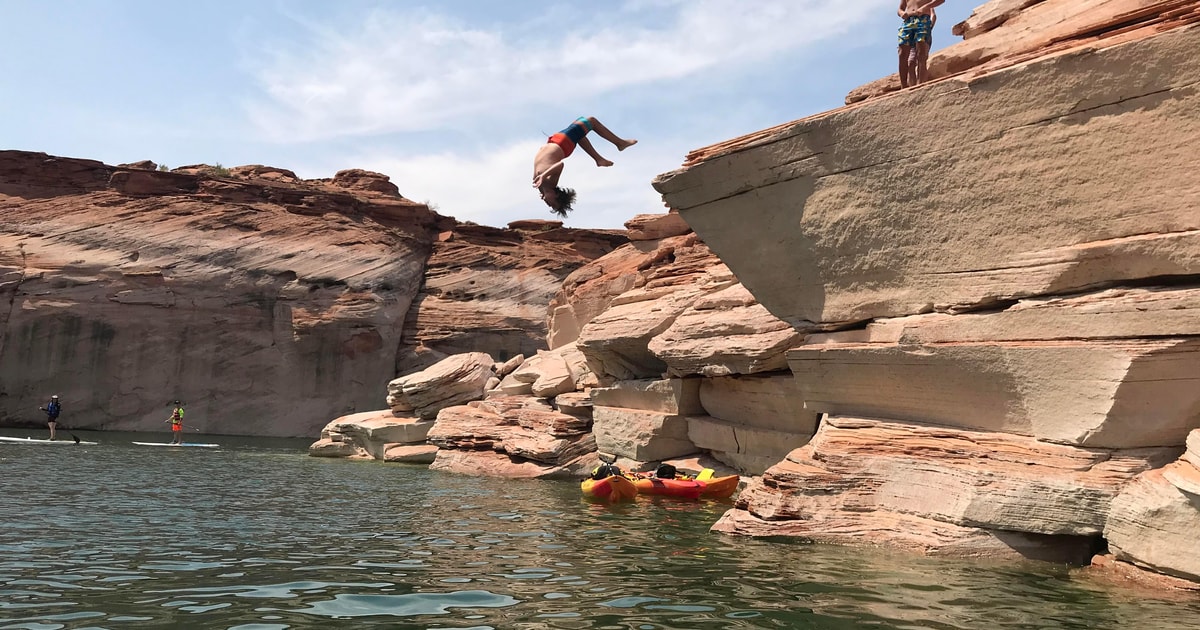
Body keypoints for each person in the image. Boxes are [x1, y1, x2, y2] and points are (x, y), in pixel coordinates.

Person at [533, 116, 637, 217]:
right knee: (591, 121)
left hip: (556, 141)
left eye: (551, 206)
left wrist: (542, 188)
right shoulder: (551, 183)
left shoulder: (541, 186)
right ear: (556, 195)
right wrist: (543, 176)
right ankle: (620, 143)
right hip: (563, 144)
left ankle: (599, 159)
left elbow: (544, 172)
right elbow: (560, 165)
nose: (549, 205)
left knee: (580, 134)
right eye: (553, 204)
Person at [897, 0, 944, 87]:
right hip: (908, 20)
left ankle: (920, 84)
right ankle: (904, 86)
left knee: (921, 53)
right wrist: (902, 13)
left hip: (923, 18)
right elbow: (900, 9)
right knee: (902, 53)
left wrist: (925, 7)